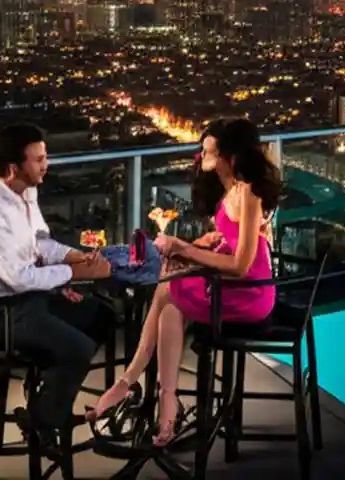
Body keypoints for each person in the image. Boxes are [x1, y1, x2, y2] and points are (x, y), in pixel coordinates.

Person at [86, 117, 281, 445]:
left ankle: (132, 382)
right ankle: (165, 402)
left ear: (228, 156)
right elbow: (229, 241)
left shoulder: (248, 193)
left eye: (210, 149)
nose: (202, 154)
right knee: (170, 308)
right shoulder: (229, 191)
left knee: (168, 285)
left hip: (250, 293)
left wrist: (185, 248)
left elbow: (241, 264)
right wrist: (205, 243)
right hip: (227, 287)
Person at [0, 123, 114, 452]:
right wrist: (71, 273)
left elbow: (40, 244)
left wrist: (75, 257)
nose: (46, 164)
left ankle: (46, 406)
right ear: (14, 168)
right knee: (76, 348)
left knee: (101, 316)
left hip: (25, 300)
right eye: (39, 159)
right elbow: (19, 277)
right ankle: (44, 425)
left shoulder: (25, 191)